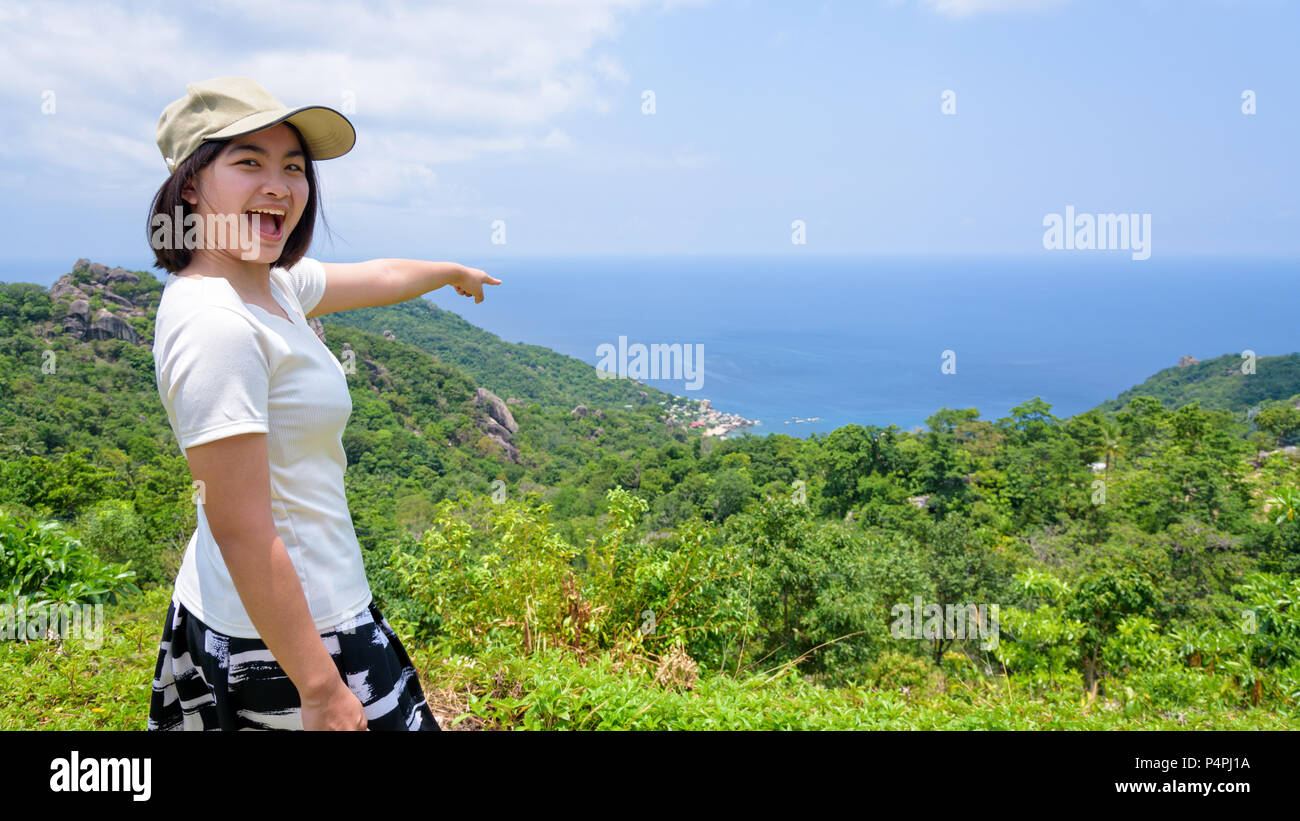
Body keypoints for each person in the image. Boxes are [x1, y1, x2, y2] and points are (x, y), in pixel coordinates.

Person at [145, 77, 500, 731]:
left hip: (270, 608)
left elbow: (377, 276)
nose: (279, 185)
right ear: (191, 183)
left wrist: (450, 272)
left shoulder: (271, 286)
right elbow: (244, 527)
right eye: (249, 161)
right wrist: (320, 687)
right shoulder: (215, 320)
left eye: (294, 167)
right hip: (288, 641)